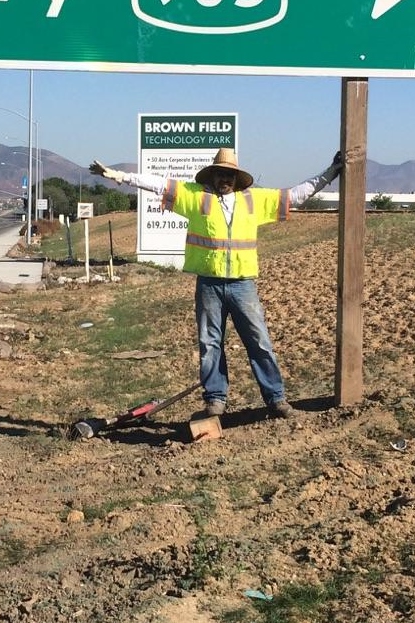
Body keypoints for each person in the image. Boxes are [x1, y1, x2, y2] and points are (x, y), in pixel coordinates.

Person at [89, 148, 342, 419]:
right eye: (221, 173)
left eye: (230, 175)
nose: (225, 179)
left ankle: (276, 399)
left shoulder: (253, 200)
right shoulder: (196, 197)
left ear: (237, 178)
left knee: (259, 341)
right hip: (209, 284)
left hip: (242, 284)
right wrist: (117, 176)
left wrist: (330, 173)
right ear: (213, 175)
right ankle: (215, 400)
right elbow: (156, 183)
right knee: (210, 343)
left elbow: (297, 195)